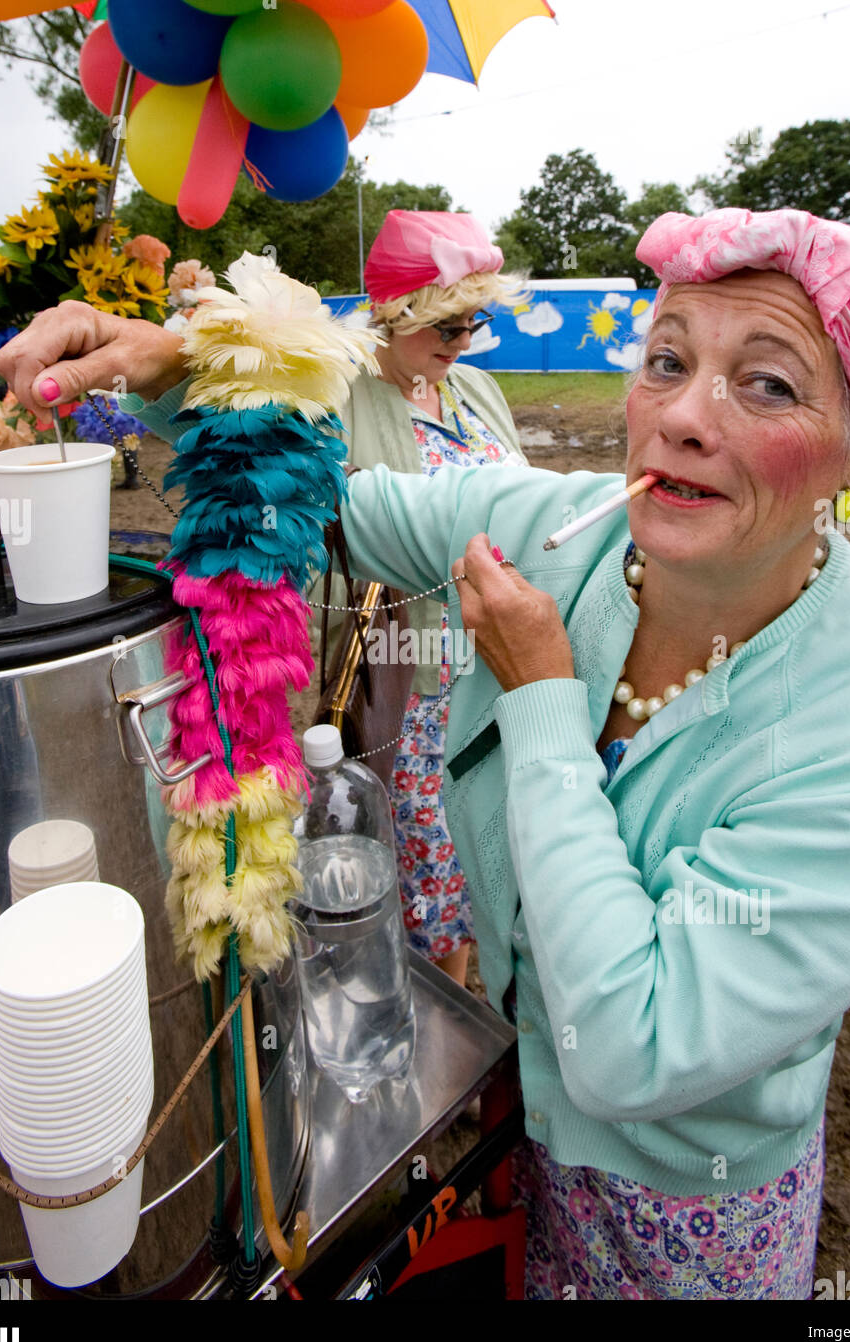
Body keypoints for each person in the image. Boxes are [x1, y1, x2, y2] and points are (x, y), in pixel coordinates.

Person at [0, 207, 850, 1300]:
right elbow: (327, 507)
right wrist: (182, 357)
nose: (682, 418)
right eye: (665, 361)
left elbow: (630, 1044)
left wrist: (545, 699)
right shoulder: (563, 526)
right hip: (518, 1115)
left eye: (769, 384)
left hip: (691, 1209)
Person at [321, 210, 529, 987]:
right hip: (414, 679)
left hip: (500, 665)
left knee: (492, 850)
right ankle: (440, 1024)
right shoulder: (341, 398)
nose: (458, 342)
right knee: (429, 860)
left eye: (471, 323)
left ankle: (478, 1001)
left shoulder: (473, 386)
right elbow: (332, 539)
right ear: (391, 313)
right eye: (440, 324)